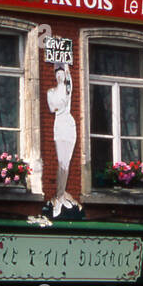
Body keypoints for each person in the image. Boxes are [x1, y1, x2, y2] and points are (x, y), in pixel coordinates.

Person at [48, 63, 77, 216]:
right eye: (57, 74)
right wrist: (61, 99)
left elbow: (70, 83)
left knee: (67, 163)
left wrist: (66, 67)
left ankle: (62, 194)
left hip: (70, 125)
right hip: (59, 126)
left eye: (62, 74)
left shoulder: (67, 90)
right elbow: (52, 108)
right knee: (60, 162)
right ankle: (58, 197)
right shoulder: (51, 91)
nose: (60, 76)